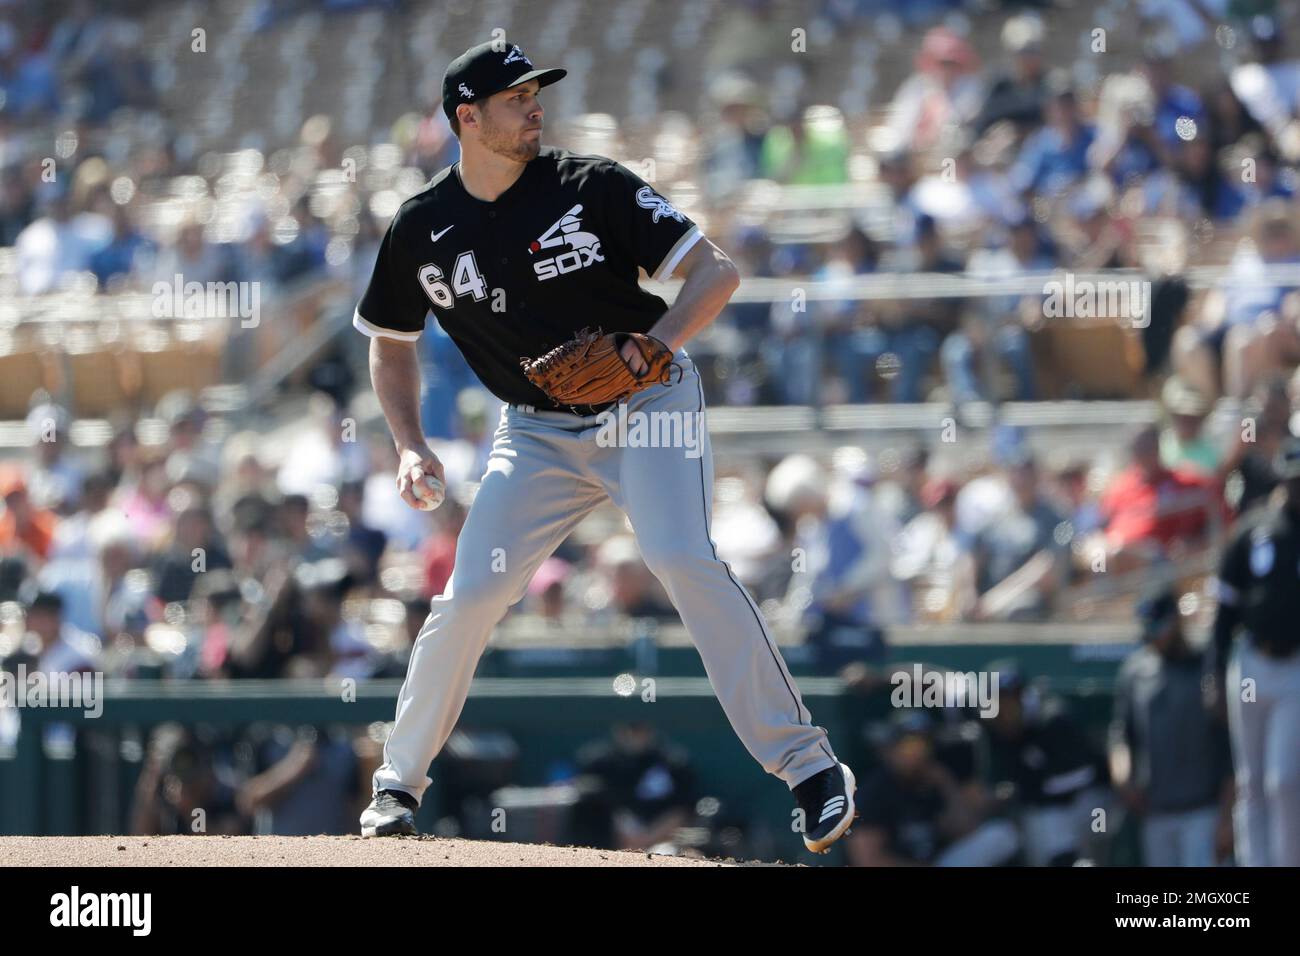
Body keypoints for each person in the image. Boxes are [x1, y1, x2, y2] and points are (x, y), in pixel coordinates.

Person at [354, 39, 855, 852]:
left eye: (536, 93)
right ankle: (396, 787)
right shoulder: (422, 227)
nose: (535, 106)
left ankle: (809, 766)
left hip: (647, 400)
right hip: (535, 428)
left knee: (680, 556)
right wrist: (409, 445)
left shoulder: (592, 186)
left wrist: (651, 344)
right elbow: (389, 340)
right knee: (470, 596)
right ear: (466, 118)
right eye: (516, 98)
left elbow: (714, 274)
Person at [1209, 434, 1300, 866]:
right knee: (1251, 781)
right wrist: (1213, 670)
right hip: (1250, 663)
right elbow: (1224, 609)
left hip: (1294, 667)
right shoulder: (1254, 528)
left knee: (1284, 781)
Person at [1109, 586, 1233, 866]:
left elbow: (1231, 752)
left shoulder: (1208, 667)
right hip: (1156, 813)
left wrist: (1227, 819)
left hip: (1204, 811)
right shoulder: (1135, 671)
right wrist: (1122, 776)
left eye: (1159, 627)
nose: (1154, 637)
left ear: (1176, 620)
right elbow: (1121, 734)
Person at [846, 711, 1020, 867]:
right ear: (892, 749)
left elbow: (965, 828)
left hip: (935, 862)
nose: (917, 753)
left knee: (1001, 835)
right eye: (909, 746)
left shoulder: (933, 782)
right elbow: (868, 860)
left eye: (923, 745)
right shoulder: (875, 792)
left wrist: (947, 784)